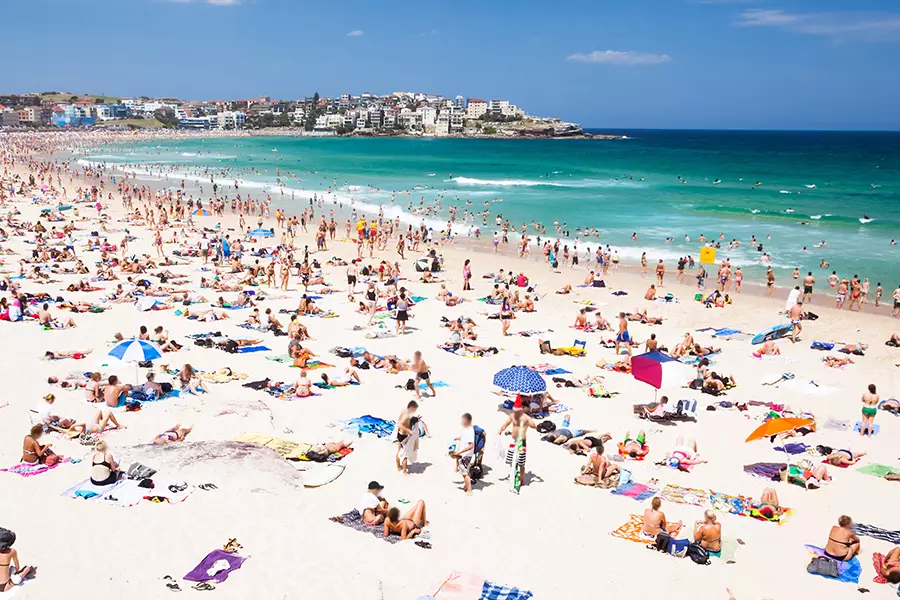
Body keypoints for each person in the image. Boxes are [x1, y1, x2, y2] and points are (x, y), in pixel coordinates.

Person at [497, 395, 536, 487]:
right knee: (509, 459)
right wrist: (500, 430)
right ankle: (513, 472)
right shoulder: (512, 416)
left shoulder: (526, 418)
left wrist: (527, 422)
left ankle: (522, 480)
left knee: (521, 462)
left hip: (522, 442)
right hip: (514, 441)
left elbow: (534, 426)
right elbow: (505, 424)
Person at [0, 528, 34, 592]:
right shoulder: (12, 552)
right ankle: (27, 570)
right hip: (4, 585)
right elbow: (17, 568)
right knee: (26, 569)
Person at [450, 413, 476, 494]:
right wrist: (456, 438)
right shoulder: (466, 429)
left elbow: (471, 446)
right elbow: (464, 437)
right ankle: (466, 486)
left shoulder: (470, 431)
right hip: (464, 454)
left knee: (464, 473)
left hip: (466, 455)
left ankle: (469, 490)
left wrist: (459, 452)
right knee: (465, 471)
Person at [396, 400, 422, 474]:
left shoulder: (404, 411)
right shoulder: (406, 415)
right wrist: (409, 430)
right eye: (414, 409)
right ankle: (404, 471)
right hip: (404, 436)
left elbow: (405, 421)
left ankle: (398, 467)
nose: (414, 411)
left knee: (398, 452)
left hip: (399, 434)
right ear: (411, 408)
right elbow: (400, 424)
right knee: (405, 454)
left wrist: (416, 420)